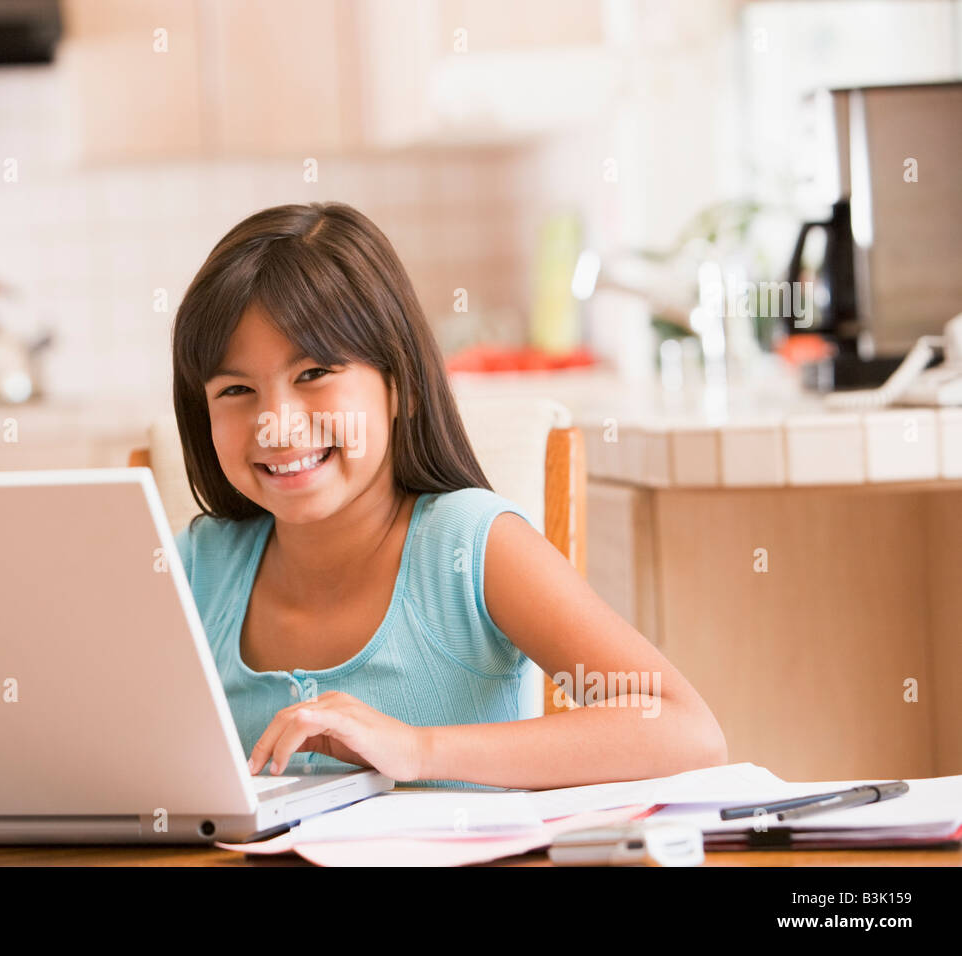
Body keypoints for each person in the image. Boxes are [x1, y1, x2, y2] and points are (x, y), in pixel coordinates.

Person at [171, 202, 728, 789]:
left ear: (400, 384)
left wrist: (418, 749)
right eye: (236, 389)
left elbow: (684, 730)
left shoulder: (469, 548)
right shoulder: (195, 568)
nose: (276, 424)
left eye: (313, 374)